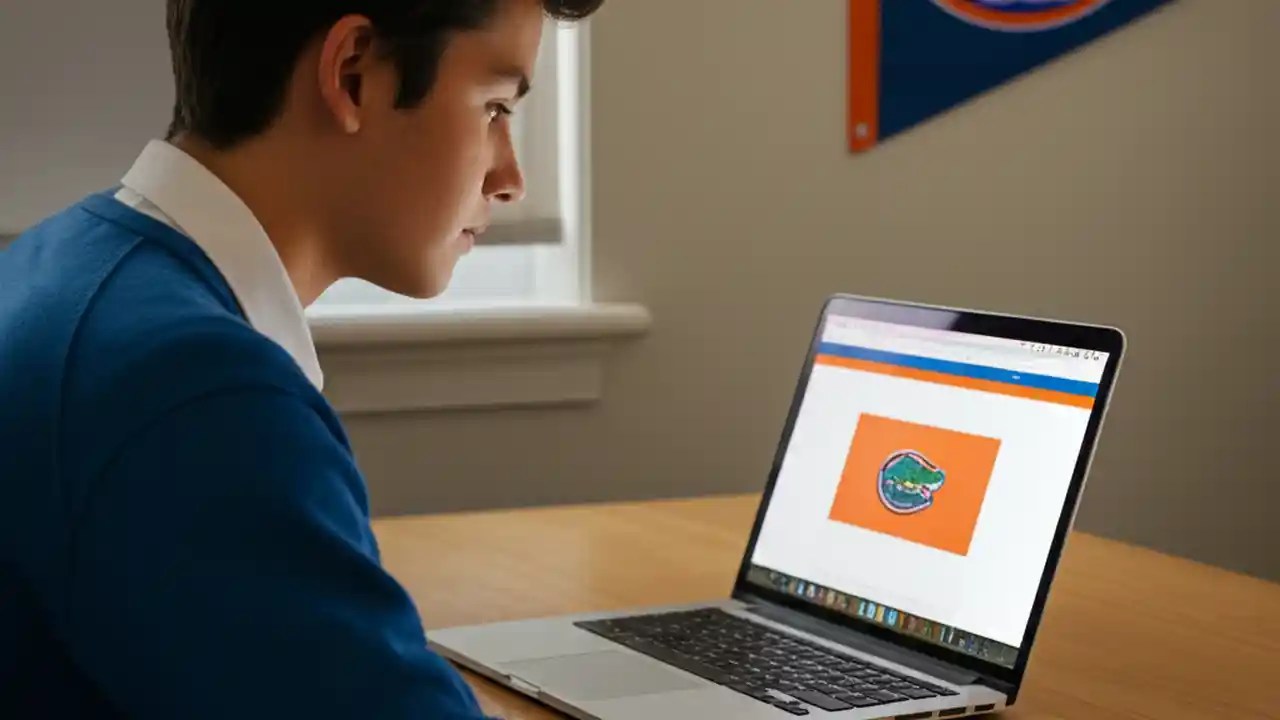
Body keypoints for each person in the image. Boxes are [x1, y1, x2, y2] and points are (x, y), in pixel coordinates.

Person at [0, 0, 603, 716]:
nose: (510, 178)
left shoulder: (58, 265)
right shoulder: (199, 397)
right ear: (353, 76)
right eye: (495, 108)